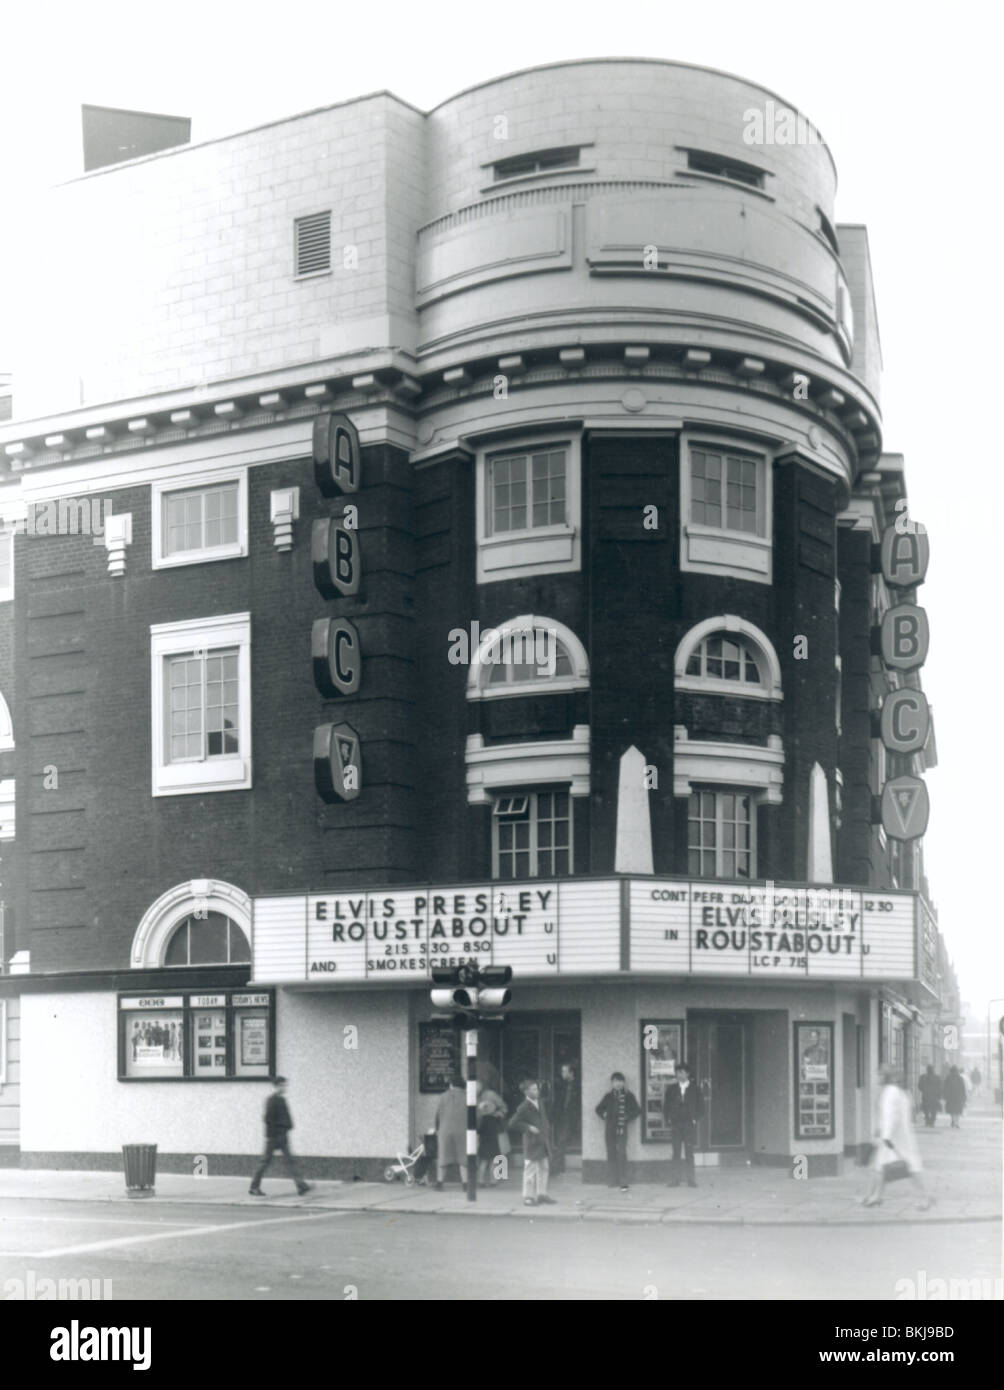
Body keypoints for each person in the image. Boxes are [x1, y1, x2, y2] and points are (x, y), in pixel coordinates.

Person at [863, 1066, 931, 1209]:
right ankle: (876, 1196)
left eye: (880, 1074)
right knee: (881, 1166)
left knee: (909, 1167)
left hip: (894, 1138)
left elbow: (890, 1115)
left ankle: (925, 1197)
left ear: (886, 1076)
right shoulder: (900, 1092)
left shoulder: (890, 1092)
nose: (877, 1077)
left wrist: (885, 1135)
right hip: (898, 1135)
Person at [249, 1076, 312, 1196]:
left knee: (289, 1161)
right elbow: (267, 1118)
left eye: (285, 1085)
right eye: (282, 1085)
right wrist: (279, 1130)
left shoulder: (281, 1099)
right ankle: (254, 1187)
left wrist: (286, 1128)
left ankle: (301, 1185)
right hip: (275, 1137)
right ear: (276, 1086)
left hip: (281, 1136)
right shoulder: (272, 1100)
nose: (284, 1087)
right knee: (265, 1162)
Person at [509, 1078, 556, 1207]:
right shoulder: (523, 1107)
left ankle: (541, 1194)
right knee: (530, 1170)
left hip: (542, 1141)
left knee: (544, 1168)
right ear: (526, 1092)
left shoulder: (540, 1102)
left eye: (537, 1089)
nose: (537, 1091)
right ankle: (528, 1197)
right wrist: (528, 1127)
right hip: (532, 1143)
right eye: (534, 1089)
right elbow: (512, 1123)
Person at [595, 1071, 641, 1191]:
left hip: (622, 1129)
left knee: (621, 1153)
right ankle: (612, 1179)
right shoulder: (608, 1096)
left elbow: (637, 1110)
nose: (618, 1084)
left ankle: (623, 1179)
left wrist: (627, 1117)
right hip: (610, 1128)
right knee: (611, 1153)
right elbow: (598, 1109)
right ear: (612, 1083)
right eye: (615, 1081)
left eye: (620, 1081)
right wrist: (605, 1116)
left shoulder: (628, 1095)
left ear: (624, 1082)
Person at [663, 1063, 704, 1188]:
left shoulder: (695, 1089)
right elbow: (666, 1106)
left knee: (689, 1151)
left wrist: (694, 1120)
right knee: (676, 1151)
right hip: (676, 1124)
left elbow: (701, 1107)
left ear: (687, 1073)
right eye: (677, 1072)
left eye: (681, 1072)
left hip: (688, 1124)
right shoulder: (671, 1089)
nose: (679, 1075)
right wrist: (668, 1119)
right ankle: (675, 1180)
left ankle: (691, 1179)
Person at [434, 1075, 468, 1189]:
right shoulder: (468, 1097)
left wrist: (438, 1129)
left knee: (443, 1156)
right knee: (463, 1158)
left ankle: (439, 1183)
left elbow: (437, 1115)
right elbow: (476, 1116)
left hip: (445, 1130)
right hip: (463, 1131)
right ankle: (465, 1184)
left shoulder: (443, 1096)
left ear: (451, 1085)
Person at [551, 1062, 581, 1176]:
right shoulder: (562, 1086)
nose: (562, 1073)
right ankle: (559, 1166)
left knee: (562, 1141)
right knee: (560, 1141)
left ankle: (555, 1168)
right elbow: (557, 1102)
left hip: (571, 1117)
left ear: (571, 1073)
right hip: (561, 1117)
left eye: (564, 1071)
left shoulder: (578, 1085)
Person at [476, 1079, 508, 1184]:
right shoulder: (470, 1096)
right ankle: (487, 1179)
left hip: (493, 1126)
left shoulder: (490, 1095)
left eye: (477, 1086)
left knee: (497, 1153)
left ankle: (498, 1177)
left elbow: (504, 1108)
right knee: (486, 1156)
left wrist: (498, 1114)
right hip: (480, 1127)